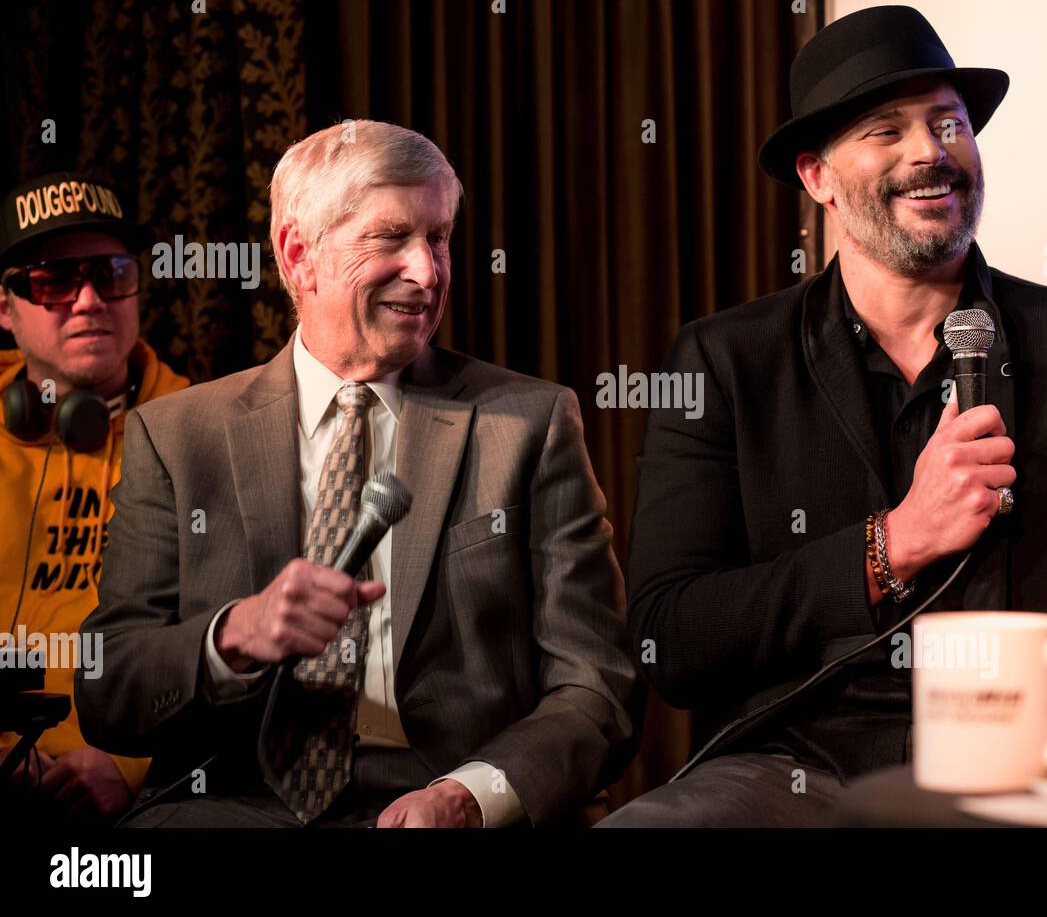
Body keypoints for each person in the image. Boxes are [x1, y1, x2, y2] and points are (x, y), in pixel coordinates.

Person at [601, 5, 1047, 826]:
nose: (931, 151)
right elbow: (672, 637)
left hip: (1022, 770)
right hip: (791, 773)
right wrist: (892, 545)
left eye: (948, 123)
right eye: (886, 131)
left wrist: (1024, 755)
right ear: (817, 177)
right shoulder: (727, 361)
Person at [74, 121, 641, 827]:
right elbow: (107, 686)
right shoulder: (180, 436)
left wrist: (473, 795)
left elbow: (597, 684)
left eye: (437, 239)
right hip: (232, 804)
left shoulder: (529, 424)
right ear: (299, 254)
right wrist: (233, 635)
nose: (428, 272)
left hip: (441, 800)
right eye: (391, 239)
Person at [0, 171, 189, 823]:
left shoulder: (201, 432)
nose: (88, 300)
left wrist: (128, 764)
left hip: (146, 784)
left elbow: (223, 638)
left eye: (110, 274)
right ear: (5, 308)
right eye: (54, 280)